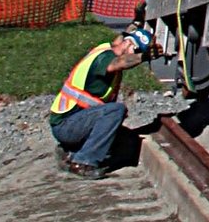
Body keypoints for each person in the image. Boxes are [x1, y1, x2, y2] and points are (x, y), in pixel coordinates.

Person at [49, 28, 147, 177]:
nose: (135, 56)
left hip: (69, 122)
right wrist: (145, 56)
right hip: (66, 126)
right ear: (128, 44)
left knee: (127, 139)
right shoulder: (105, 58)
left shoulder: (106, 48)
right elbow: (119, 63)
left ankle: (71, 151)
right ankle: (83, 162)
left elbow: (119, 41)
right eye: (136, 50)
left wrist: (134, 24)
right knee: (115, 110)